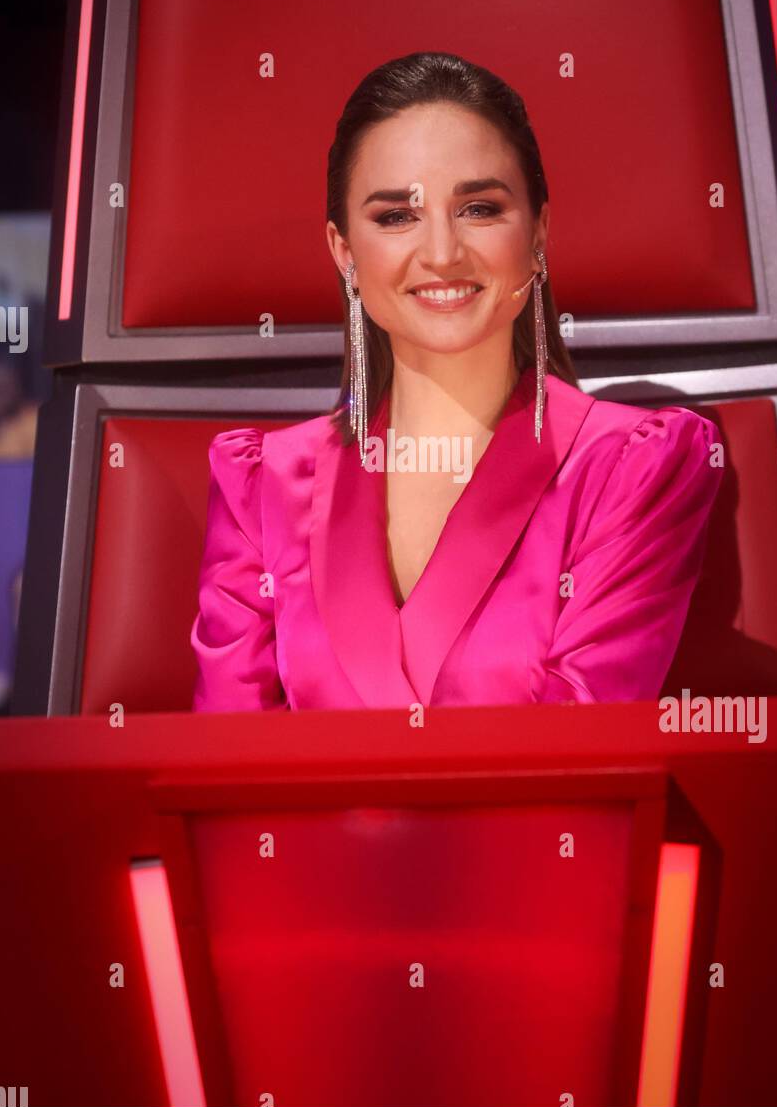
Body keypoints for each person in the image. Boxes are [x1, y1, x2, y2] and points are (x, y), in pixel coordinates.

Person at [190, 52, 723, 712]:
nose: (441, 252)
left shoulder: (631, 467)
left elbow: (581, 755)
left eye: (477, 207)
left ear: (538, 234)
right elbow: (229, 770)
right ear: (344, 252)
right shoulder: (260, 486)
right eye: (395, 216)